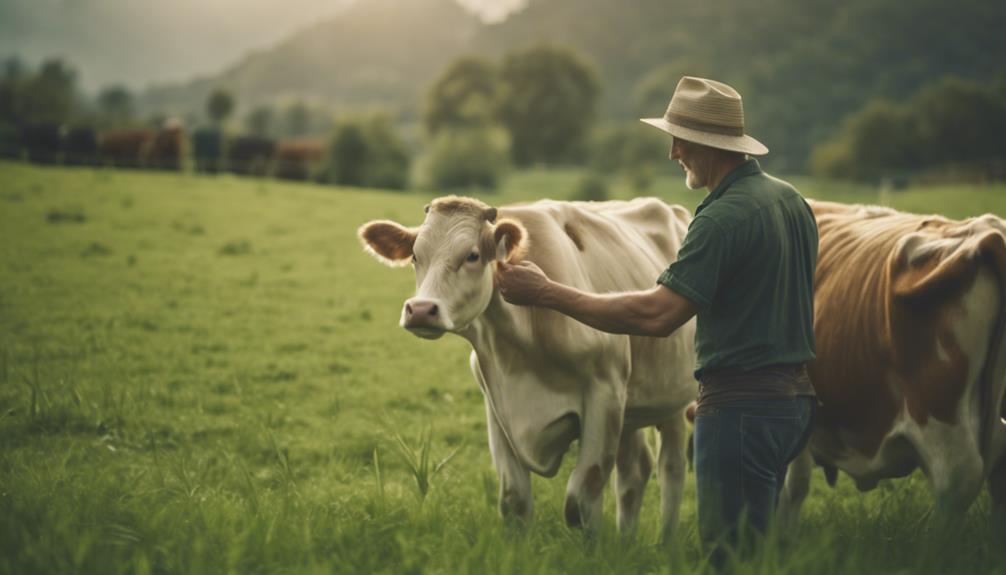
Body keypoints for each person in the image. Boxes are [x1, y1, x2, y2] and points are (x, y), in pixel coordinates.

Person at [495, 76, 818, 561]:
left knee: (727, 555)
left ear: (709, 144)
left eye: (680, 141)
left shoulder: (719, 220)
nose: (672, 154)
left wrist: (547, 292)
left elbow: (658, 313)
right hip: (793, 405)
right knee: (759, 548)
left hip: (742, 412)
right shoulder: (792, 202)